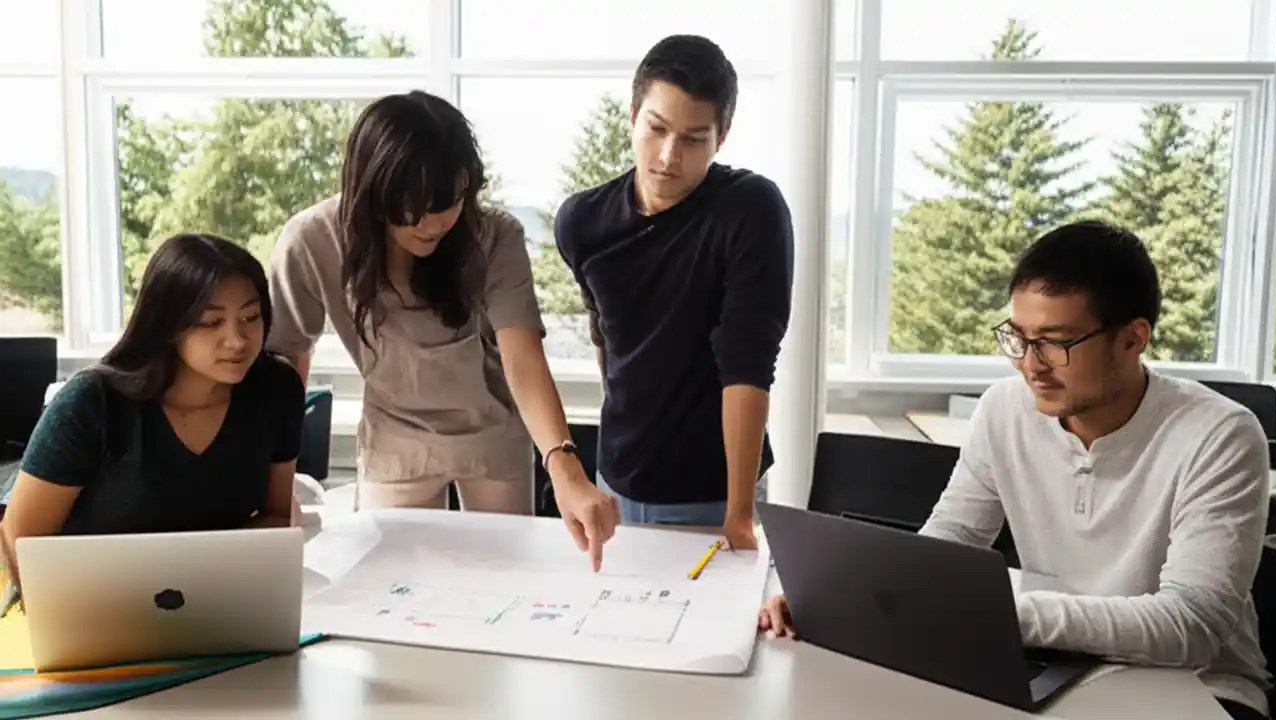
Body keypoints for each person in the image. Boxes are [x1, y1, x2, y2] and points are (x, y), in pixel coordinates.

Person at [758, 221, 1271, 720]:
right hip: (1059, 661)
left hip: (1199, 688)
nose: (1030, 364)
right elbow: (949, 540)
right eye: (1018, 337)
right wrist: (840, 596)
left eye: (1054, 342)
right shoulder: (1005, 408)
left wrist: (1001, 616)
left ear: (1133, 340)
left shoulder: (1219, 435)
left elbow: (1192, 625)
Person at [266, 90, 619, 570]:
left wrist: (566, 468)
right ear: (373, 191)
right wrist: (275, 488)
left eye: (452, 201)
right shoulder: (312, 240)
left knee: (504, 580)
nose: (437, 222)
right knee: (392, 584)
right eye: (417, 208)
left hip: (491, 428)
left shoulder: (494, 236)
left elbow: (522, 358)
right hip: (396, 435)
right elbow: (287, 365)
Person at [554, 35, 794, 547]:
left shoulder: (751, 211)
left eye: (692, 139)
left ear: (721, 136)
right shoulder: (582, 222)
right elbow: (608, 340)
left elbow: (748, 366)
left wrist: (739, 514)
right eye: (656, 129)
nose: (668, 156)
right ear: (633, 114)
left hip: (715, 493)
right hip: (616, 484)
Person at [0, 233, 304, 592]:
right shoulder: (91, 403)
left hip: (218, 599)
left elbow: (276, 517)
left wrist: (197, 574)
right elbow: (20, 543)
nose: (238, 340)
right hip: (93, 604)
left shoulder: (276, 389)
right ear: (167, 324)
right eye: (210, 322)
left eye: (251, 317)